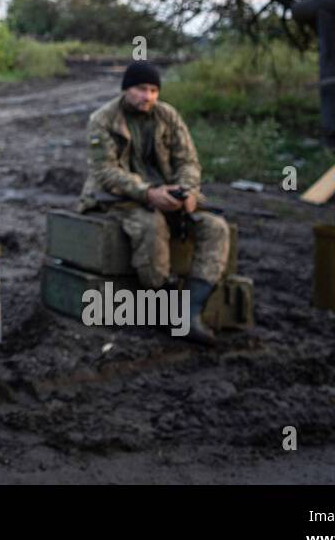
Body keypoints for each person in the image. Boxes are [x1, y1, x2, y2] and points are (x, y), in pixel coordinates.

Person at [77, 60, 229, 344]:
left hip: (168, 193)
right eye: (140, 89)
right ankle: (164, 307)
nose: (147, 96)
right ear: (126, 90)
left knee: (216, 227)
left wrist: (188, 191)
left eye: (153, 90)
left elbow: (188, 161)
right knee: (151, 226)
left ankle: (190, 312)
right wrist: (148, 193)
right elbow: (106, 171)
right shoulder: (103, 119)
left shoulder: (167, 116)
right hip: (120, 197)